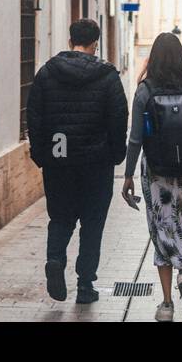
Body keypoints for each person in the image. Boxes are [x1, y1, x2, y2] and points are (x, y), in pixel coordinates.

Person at [27, 17, 129, 305]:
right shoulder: (108, 76)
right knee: (92, 224)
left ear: (70, 40)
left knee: (60, 217)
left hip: (58, 162)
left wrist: (41, 154)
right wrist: (116, 154)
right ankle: (85, 285)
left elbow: (34, 116)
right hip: (96, 163)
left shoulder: (47, 73)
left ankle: (55, 260)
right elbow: (119, 118)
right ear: (95, 43)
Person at [121, 32, 182, 322]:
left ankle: (166, 304)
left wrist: (128, 175)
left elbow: (135, 139)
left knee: (162, 228)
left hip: (156, 174)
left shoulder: (145, 91)